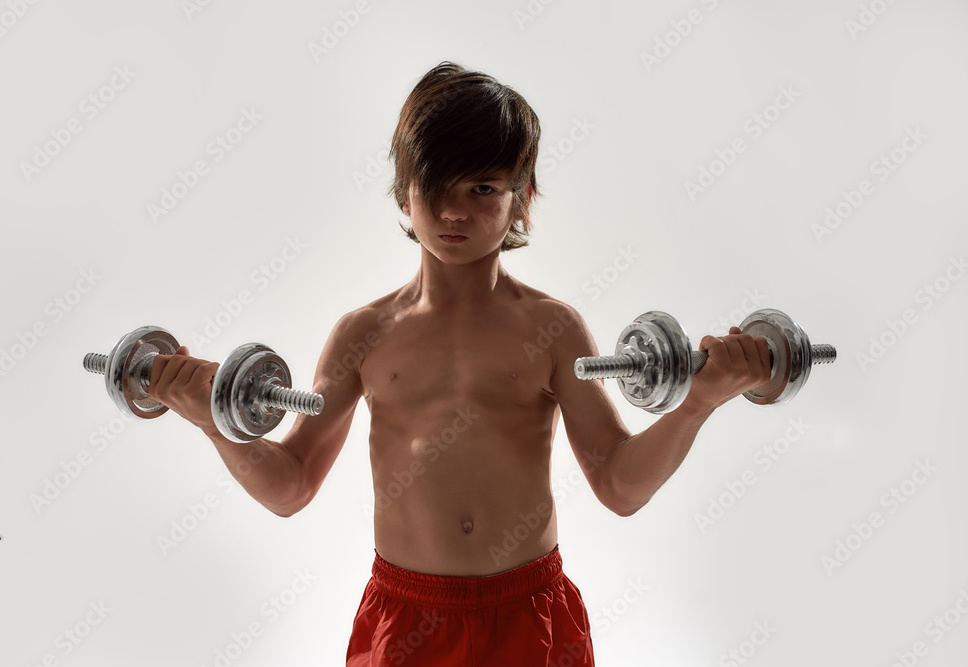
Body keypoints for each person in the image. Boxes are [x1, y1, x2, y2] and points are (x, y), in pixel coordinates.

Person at [146, 61, 771, 666]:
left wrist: (698, 403)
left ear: (521, 197)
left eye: (483, 188)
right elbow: (290, 488)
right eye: (435, 185)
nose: (453, 212)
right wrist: (211, 421)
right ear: (403, 187)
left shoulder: (551, 328)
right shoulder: (363, 335)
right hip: (406, 622)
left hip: (530, 614)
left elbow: (619, 487)